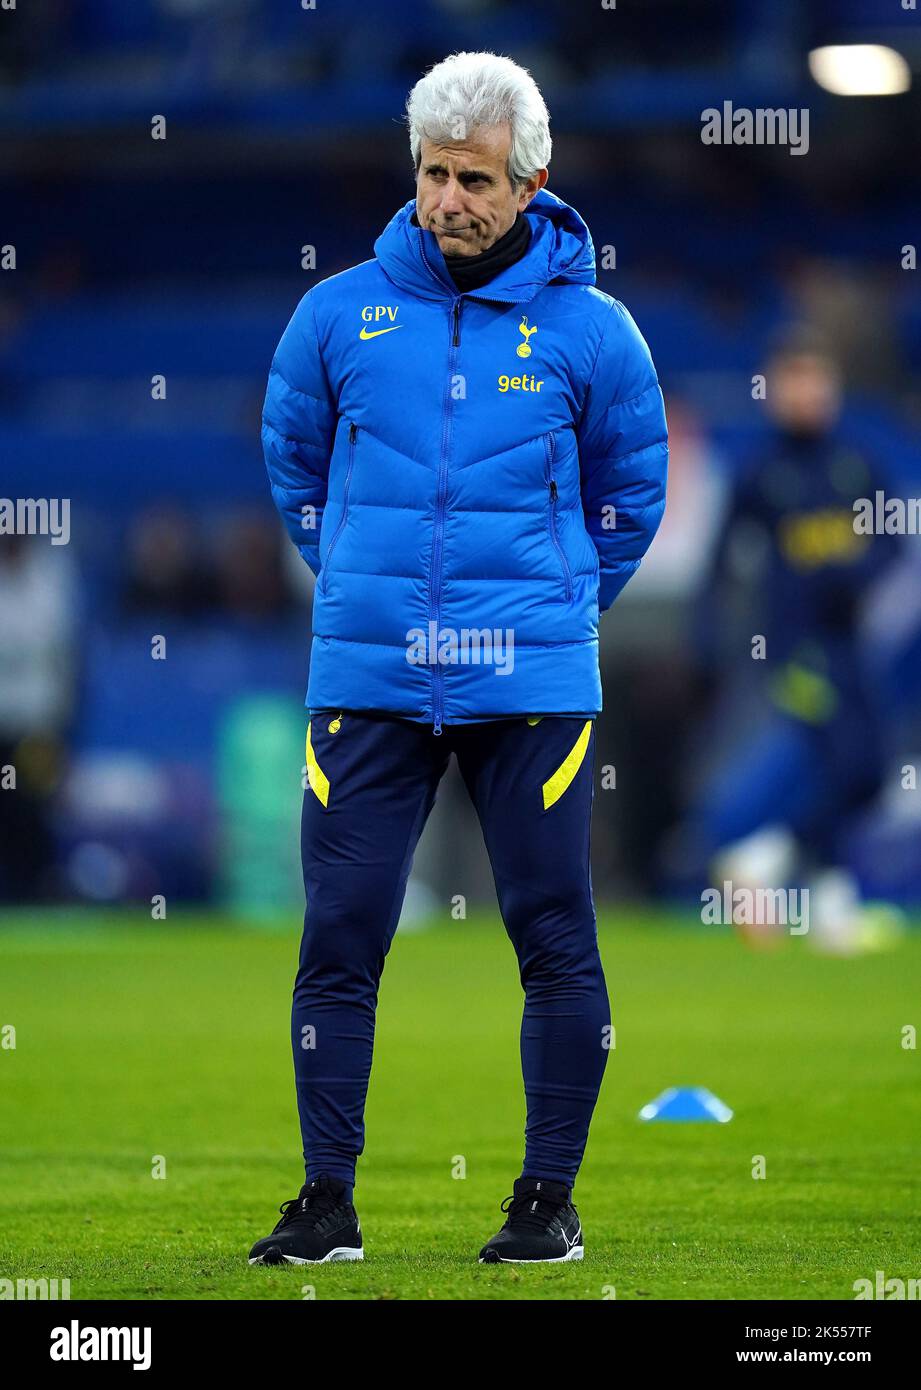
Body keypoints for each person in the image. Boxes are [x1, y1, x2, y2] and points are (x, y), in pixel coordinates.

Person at [251, 51, 667, 1266]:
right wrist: (367, 593)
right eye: (433, 175)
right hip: (371, 680)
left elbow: (630, 497)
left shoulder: (595, 331)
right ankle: (327, 1202)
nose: (449, 202)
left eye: (476, 179)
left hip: (528, 685)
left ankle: (547, 1202)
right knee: (339, 936)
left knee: (552, 935)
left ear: (532, 181)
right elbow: (296, 464)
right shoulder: (335, 312)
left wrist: (555, 606)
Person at [687, 326, 903, 951]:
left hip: (850, 641)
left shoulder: (856, 462)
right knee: (843, 758)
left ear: (831, 388)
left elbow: (890, 545)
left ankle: (768, 859)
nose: (804, 395)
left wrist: (851, 571)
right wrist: (708, 633)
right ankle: (827, 900)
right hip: (794, 649)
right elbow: (722, 559)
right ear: (773, 391)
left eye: (815, 381)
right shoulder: (762, 471)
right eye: (792, 383)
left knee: (862, 769)